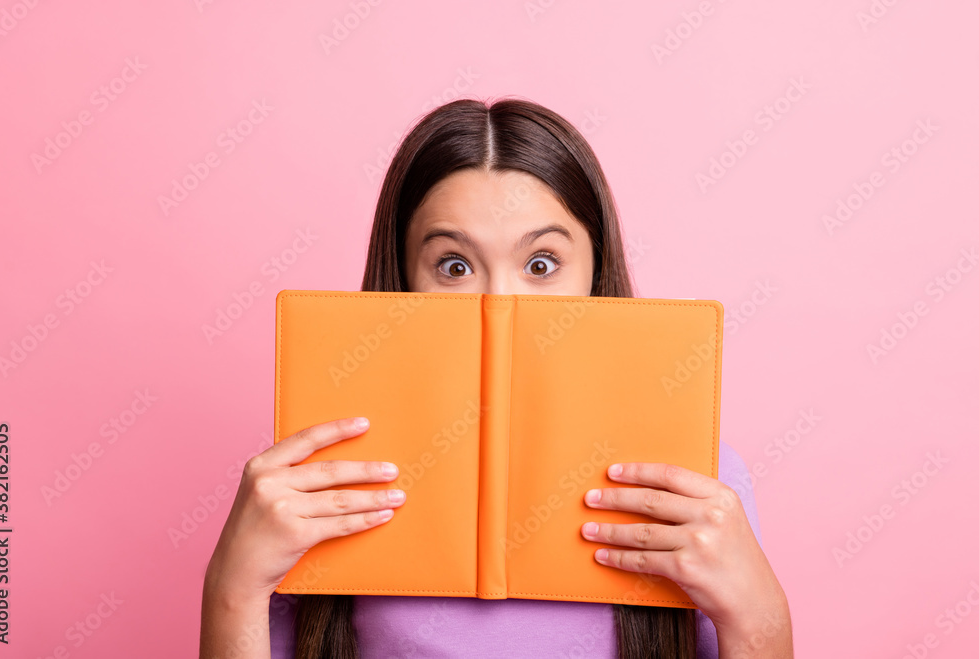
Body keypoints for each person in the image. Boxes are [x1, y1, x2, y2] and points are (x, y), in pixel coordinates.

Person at [200, 97, 793, 658]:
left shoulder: (700, 486)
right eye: (454, 266)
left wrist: (758, 613)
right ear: (403, 281)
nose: (500, 303)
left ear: (596, 275)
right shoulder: (311, 488)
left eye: (541, 263)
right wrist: (232, 588)